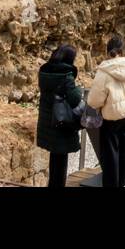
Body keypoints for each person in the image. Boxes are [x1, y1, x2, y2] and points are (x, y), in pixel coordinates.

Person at [86, 35, 125, 189]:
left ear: (108, 51)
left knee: (111, 159)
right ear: (122, 51)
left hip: (111, 119)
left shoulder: (104, 71)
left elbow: (94, 101)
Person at [36, 44, 83, 188]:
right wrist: (78, 89)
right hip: (61, 122)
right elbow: (75, 99)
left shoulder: (44, 71)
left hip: (47, 121)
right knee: (61, 161)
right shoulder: (66, 76)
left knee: (54, 158)